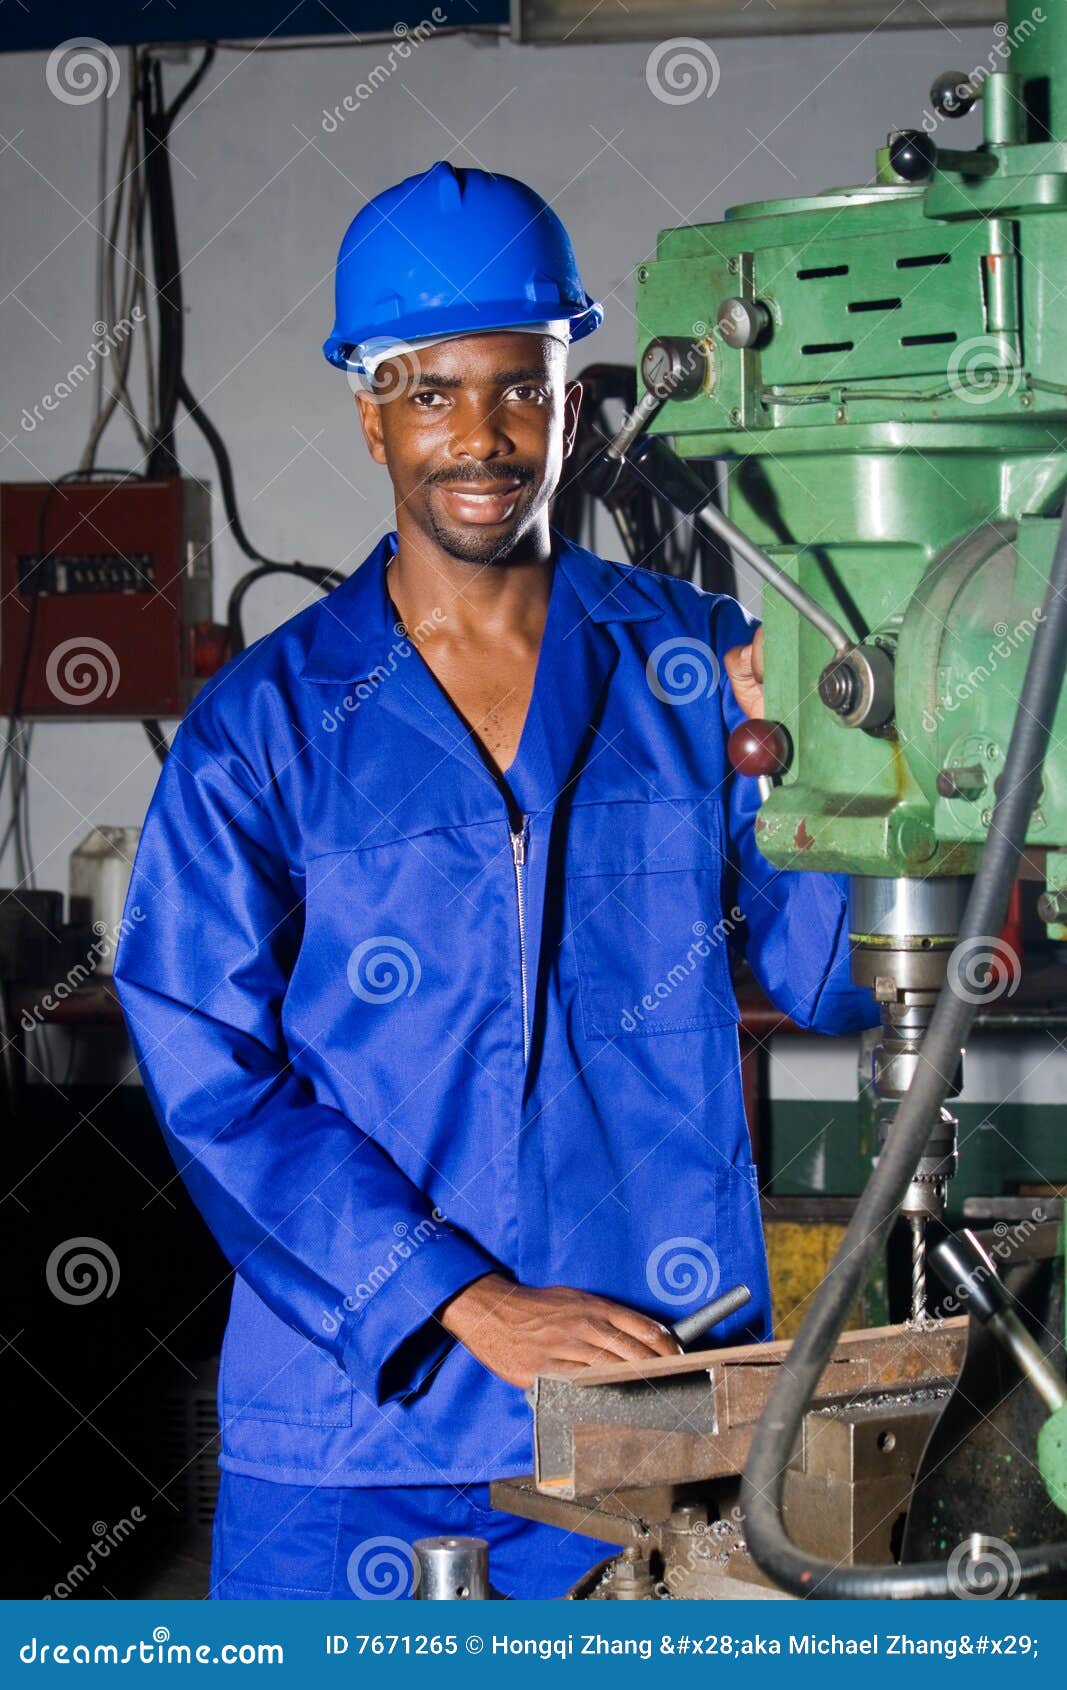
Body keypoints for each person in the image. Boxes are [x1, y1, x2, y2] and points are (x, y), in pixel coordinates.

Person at [112, 160, 879, 1601]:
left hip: (652, 1408)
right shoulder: (266, 728)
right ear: (368, 410)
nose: (481, 433)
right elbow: (209, 1072)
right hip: (358, 1433)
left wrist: (832, 766)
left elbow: (833, 975)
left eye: (521, 385)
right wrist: (458, 1294)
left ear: (572, 399)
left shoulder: (696, 671)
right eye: (430, 390)